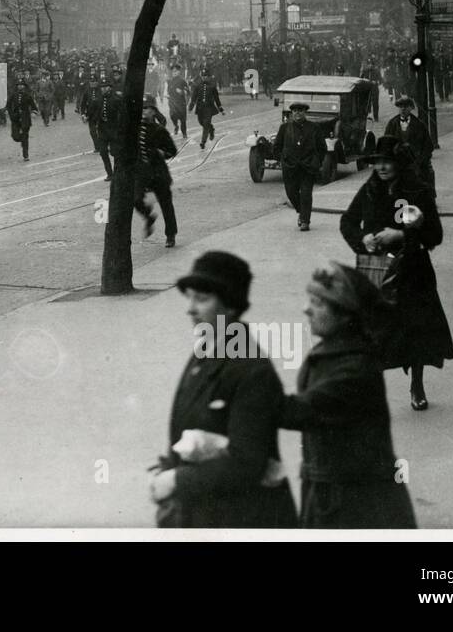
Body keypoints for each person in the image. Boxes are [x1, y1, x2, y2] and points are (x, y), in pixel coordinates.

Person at [149, 252, 298, 528]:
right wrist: (168, 466)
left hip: (245, 517)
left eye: (202, 299)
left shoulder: (251, 369)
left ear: (230, 306)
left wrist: (175, 480)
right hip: (208, 511)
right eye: (190, 297)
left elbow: (246, 464)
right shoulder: (207, 349)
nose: (190, 308)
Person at [279, 263, 418, 528]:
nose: (306, 309)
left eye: (318, 303)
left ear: (344, 315)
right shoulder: (331, 351)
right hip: (330, 493)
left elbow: (303, 409)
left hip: (358, 504)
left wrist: (245, 383)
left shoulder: (356, 368)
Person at [339, 135, 453, 410]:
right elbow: (347, 222)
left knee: (415, 330)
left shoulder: (418, 191)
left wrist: (400, 235)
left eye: (387, 162)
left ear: (399, 163)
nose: (381, 168)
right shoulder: (369, 189)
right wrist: (363, 238)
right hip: (376, 270)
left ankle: (417, 385)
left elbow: (434, 235)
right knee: (372, 331)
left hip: (412, 270)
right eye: (377, 162)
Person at [133, 97, 178, 248]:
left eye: (148, 109)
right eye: (143, 108)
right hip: (142, 174)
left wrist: (161, 152)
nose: (145, 112)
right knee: (136, 199)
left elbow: (172, 150)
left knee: (166, 205)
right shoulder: (135, 129)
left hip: (159, 174)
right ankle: (149, 217)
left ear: (154, 112)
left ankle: (170, 235)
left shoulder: (160, 130)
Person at [274, 101, 321, 232]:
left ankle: (305, 221)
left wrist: (316, 162)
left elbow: (321, 147)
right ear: (292, 113)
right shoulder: (284, 128)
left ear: (305, 112)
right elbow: (277, 147)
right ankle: (302, 212)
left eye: (300, 110)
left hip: (308, 167)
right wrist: (283, 160)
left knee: (306, 194)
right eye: (295, 111)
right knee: (291, 193)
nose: (297, 113)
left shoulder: (313, 128)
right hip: (290, 168)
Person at [384, 96, 434, 188]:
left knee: (426, 177)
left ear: (411, 108)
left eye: (406, 106)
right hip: (397, 162)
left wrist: (419, 161)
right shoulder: (392, 124)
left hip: (415, 162)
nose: (403, 108)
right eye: (400, 106)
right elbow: (385, 145)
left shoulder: (419, 125)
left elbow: (428, 146)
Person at [85, 80, 122, 180]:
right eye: (102, 87)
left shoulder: (116, 99)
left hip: (114, 129)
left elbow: (122, 114)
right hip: (102, 130)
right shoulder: (98, 100)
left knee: (115, 152)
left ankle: (117, 172)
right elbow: (93, 111)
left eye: (105, 87)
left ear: (110, 88)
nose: (103, 89)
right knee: (103, 151)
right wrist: (87, 117)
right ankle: (110, 174)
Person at [189, 68, 224, 150]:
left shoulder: (212, 86)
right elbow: (194, 98)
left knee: (206, 124)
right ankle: (211, 129)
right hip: (200, 109)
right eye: (203, 76)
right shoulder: (198, 86)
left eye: (206, 76)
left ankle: (203, 142)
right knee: (201, 122)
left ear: (209, 77)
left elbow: (216, 99)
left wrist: (220, 108)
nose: (204, 78)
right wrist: (191, 107)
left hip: (209, 108)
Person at [7, 82, 39, 162]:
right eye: (19, 85)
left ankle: (25, 155)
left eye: (22, 85)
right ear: (17, 86)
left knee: (25, 136)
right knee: (15, 136)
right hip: (15, 118)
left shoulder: (28, 95)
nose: (20, 87)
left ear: (24, 86)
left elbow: (34, 106)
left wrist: (33, 113)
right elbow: (8, 105)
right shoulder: (13, 95)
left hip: (25, 118)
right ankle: (22, 140)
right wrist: (11, 114)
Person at [166, 64, 190, 141]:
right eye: (173, 72)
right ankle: (176, 126)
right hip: (173, 103)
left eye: (175, 71)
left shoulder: (182, 81)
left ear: (179, 72)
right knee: (173, 116)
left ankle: (184, 133)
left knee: (183, 120)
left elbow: (188, 92)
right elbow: (169, 91)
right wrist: (167, 95)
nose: (174, 73)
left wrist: (181, 92)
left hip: (181, 103)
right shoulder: (170, 81)